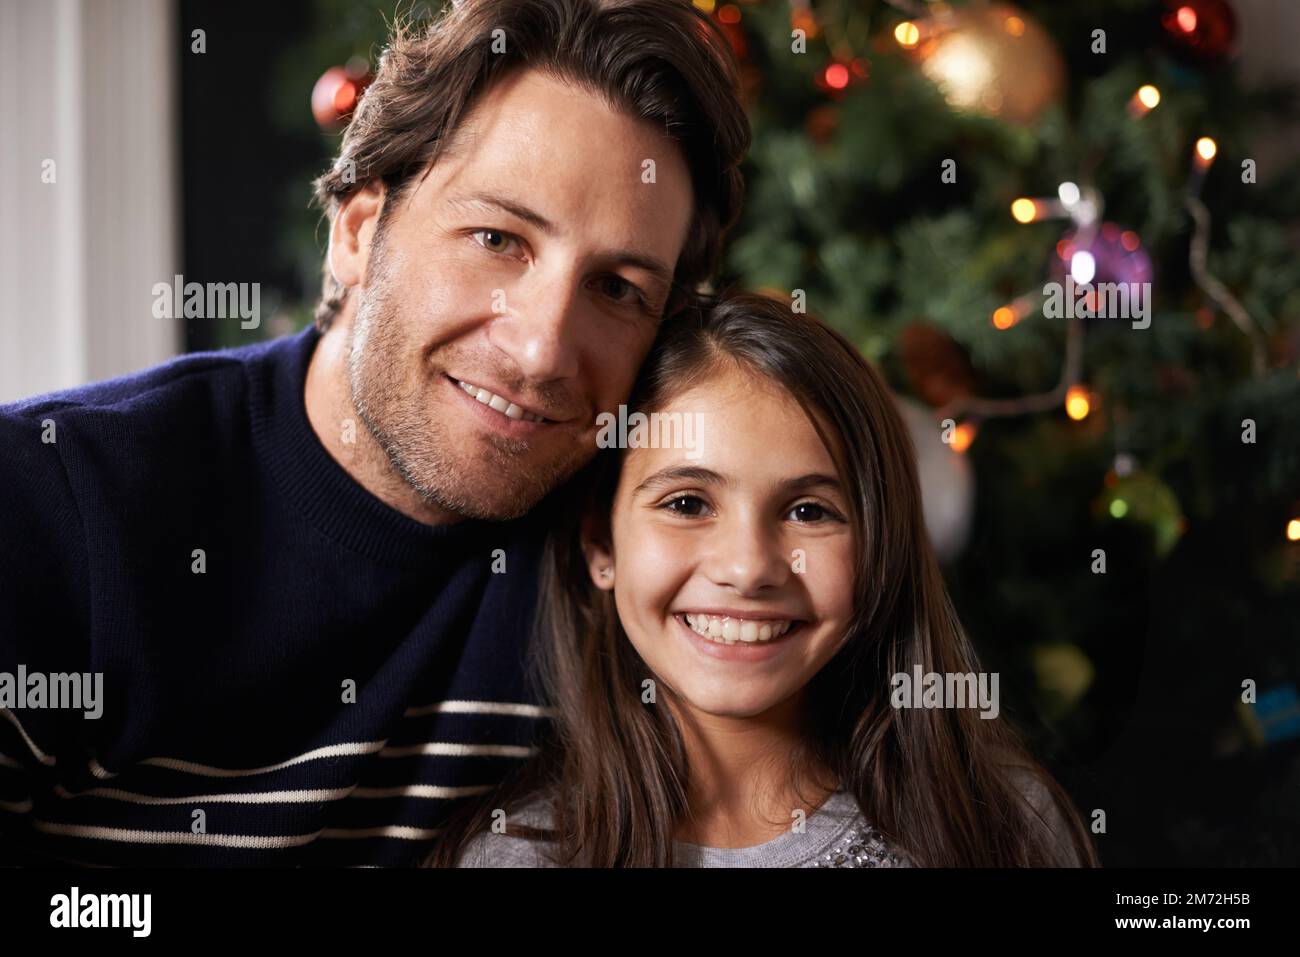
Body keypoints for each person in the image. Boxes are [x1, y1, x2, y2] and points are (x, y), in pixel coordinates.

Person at [0, 0, 748, 866]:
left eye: (618, 289)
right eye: (497, 237)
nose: (543, 349)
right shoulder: (48, 504)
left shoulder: (649, 556)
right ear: (357, 232)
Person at [431, 291, 1099, 867]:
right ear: (601, 541)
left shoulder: (1000, 824)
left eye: (809, 510)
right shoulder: (513, 852)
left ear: (879, 547)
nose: (749, 567)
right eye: (687, 503)